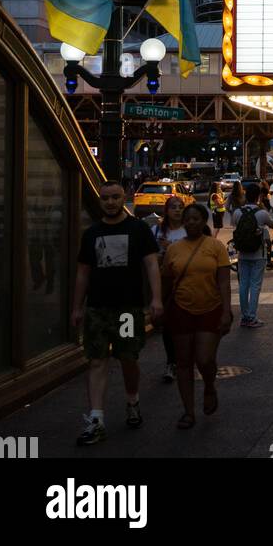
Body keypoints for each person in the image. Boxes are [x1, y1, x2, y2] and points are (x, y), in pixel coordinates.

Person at [72, 180, 162, 446]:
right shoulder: (91, 234)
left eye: (114, 197)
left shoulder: (138, 229)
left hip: (127, 308)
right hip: (98, 307)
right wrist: (77, 306)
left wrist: (156, 299)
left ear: (124, 198)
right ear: (100, 201)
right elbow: (83, 272)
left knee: (127, 357)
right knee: (97, 359)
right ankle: (97, 419)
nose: (109, 202)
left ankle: (132, 400)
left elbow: (151, 266)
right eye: (105, 198)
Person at [160, 202, 232, 428]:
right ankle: (188, 411)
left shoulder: (216, 247)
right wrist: (158, 307)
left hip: (211, 309)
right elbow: (166, 281)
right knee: (183, 363)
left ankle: (209, 385)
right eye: (188, 219)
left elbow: (224, 282)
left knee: (204, 359)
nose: (191, 222)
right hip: (180, 310)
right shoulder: (174, 249)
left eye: (196, 219)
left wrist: (227, 311)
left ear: (204, 222)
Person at [150, 194, 187, 382]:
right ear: (166, 210)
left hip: (187, 283)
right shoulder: (156, 231)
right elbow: (149, 258)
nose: (177, 210)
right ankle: (171, 361)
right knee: (168, 325)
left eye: (180, 206)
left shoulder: (190, 231)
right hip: (165, 283)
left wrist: (171, 246)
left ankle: (184, 359)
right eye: (173, 206)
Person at [231, 182, 273, 327]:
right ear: (258, 197)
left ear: (245, 195)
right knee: (255, 286)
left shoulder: (238, 212)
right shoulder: (262, 213)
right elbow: (272, 224)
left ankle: (244, 317)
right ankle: (252, 316)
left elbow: (234, 226)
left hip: (242, 254)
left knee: (243, 284)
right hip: (258, 254)